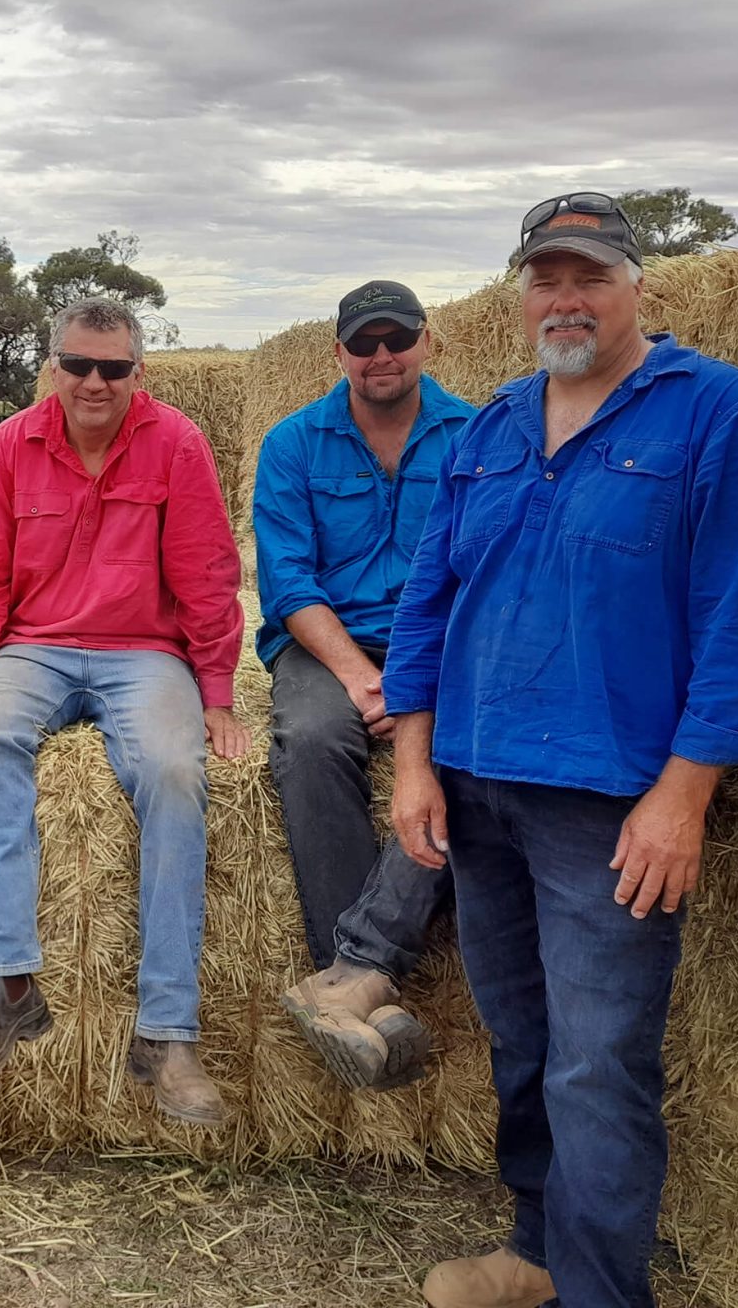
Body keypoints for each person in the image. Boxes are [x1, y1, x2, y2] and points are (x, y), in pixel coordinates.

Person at [382, 194, 738, 1308]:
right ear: (521, 293)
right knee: (519, 1043)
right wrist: (414, 762)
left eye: (588, 276)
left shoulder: (718, 415)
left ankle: (600, 1295)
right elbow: (425, 599)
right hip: (475, 783)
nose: (562, 298)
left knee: (596, 1064)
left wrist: (682, 796)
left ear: (636, 287)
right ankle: (534, 1254)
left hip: (606, 804)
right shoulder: (491, 425)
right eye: (543, 278)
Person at [0, 297, 249, 1127]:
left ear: (141, 371)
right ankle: (5, 989)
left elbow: (208, 573)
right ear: (53, 366)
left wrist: (215, 693)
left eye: (114, 367)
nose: (94, 381)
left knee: (175, 772)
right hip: (34, 646)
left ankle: (167, 1033)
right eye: (78, 365)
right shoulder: (6, 447)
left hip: (145, 652)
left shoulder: (176, 443)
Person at [252, 281, 475, 1090]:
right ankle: (357, 979)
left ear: (427, 343)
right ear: (338, 352)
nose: (382, 355)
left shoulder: (478, 434)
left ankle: (351, 976)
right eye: (364, 342)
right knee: (310, 739)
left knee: (468, 751)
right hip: (326, 643)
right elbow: (287, 583)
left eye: (397, 338)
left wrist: (419, 677)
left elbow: (483, 574)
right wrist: (363, 678)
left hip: (444, 646)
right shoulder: (292, 443)